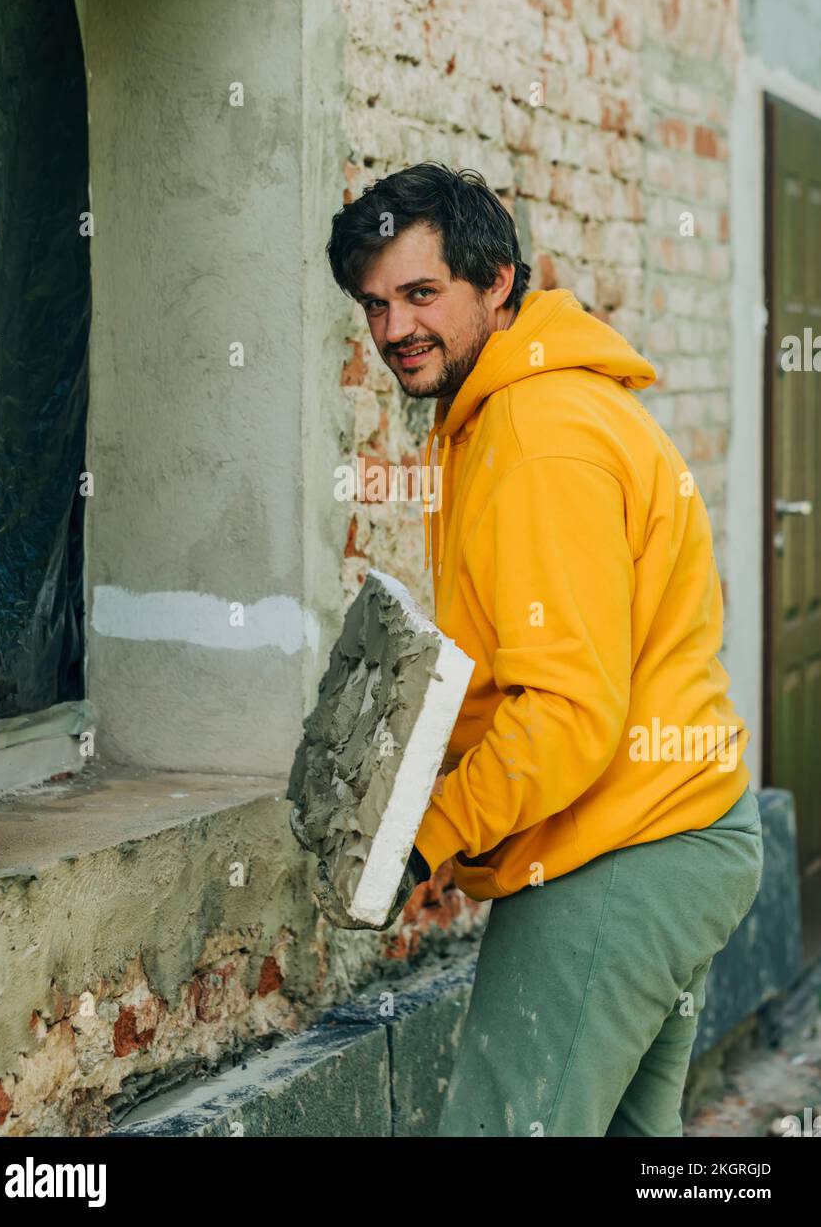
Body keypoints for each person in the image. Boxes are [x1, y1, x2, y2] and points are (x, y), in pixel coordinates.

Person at [325, 162, 764, 1137]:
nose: (394, 329)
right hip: (675, 830)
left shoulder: (536, 433)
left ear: (496, 283)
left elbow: (565, 710)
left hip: (620, 848)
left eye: (421, 293)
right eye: (375, 305)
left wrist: (423, 836)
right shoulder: (502, 413)